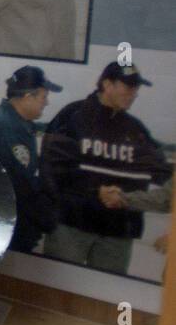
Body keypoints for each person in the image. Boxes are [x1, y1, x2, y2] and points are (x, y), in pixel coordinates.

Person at [41, 64, 170, 274]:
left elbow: (164, 174)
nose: (133, 94)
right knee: (59, 289)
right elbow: (52, 170)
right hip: (72, 225)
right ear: (107, 84)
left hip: (118, 233)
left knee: (107, 299)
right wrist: (93, 193)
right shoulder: (72, 116)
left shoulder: (136, 130)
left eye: (136, 89)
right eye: (128, 87)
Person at [0, 66, 61, 253]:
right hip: (14, 222)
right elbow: (20, 183)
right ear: (28, 97)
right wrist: (46, 216)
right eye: (43, 97)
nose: (46, 103)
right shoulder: (8, 128)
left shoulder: (18, 122)